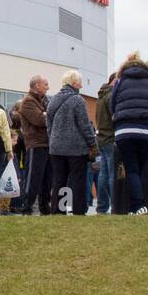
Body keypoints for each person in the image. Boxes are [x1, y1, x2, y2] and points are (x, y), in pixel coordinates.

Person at [109, 53, 148, 214]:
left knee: (131, 169)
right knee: (140, 168)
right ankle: (136, 206)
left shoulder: (121, 80)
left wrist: (116, 118)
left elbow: (112, 103)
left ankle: (138, 205)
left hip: (126, 129)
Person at [47, 70, 97, 215]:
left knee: (59, 179)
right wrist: (92, 143)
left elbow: (49, 125)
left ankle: (59, 209)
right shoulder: (77, 100)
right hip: (75, 147)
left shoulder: (53, 100)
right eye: (80, 82)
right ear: (74, 83)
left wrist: (53, 141)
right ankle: (78, 209)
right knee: (77, 179)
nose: (81, 85)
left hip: (56, 147)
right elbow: (85, 125)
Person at [19, 75, 52, 216]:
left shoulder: (43, 101)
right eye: (46, 84)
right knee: (34, 178)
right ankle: (27, 207)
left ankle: (45, 207)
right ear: (37, 85)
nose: (48, 87)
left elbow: (46, 116)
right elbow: (40, 120)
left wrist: (46, 114)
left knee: (47, 179)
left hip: (46, 144)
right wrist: (47, 114)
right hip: (36, 145)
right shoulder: (28, 101)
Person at [94, 73, 117, 214]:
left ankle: (102, 206)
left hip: (101, 138)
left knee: (103, 173)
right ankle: (116, 205)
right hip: (110, 138)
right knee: (112, 174)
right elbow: (115, 117)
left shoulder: (101, 97)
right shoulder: (111, 96)